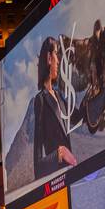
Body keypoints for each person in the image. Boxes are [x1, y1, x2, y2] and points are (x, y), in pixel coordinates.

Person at [30, 35, 78, 179]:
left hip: (71, 174)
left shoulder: (59, 96)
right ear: (49, 58)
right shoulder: (40, 100)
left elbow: (80, 116)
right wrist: (60, 153)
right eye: (56, 54)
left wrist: (100, 94)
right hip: (57, 180)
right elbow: (37, 165)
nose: (58, 60)